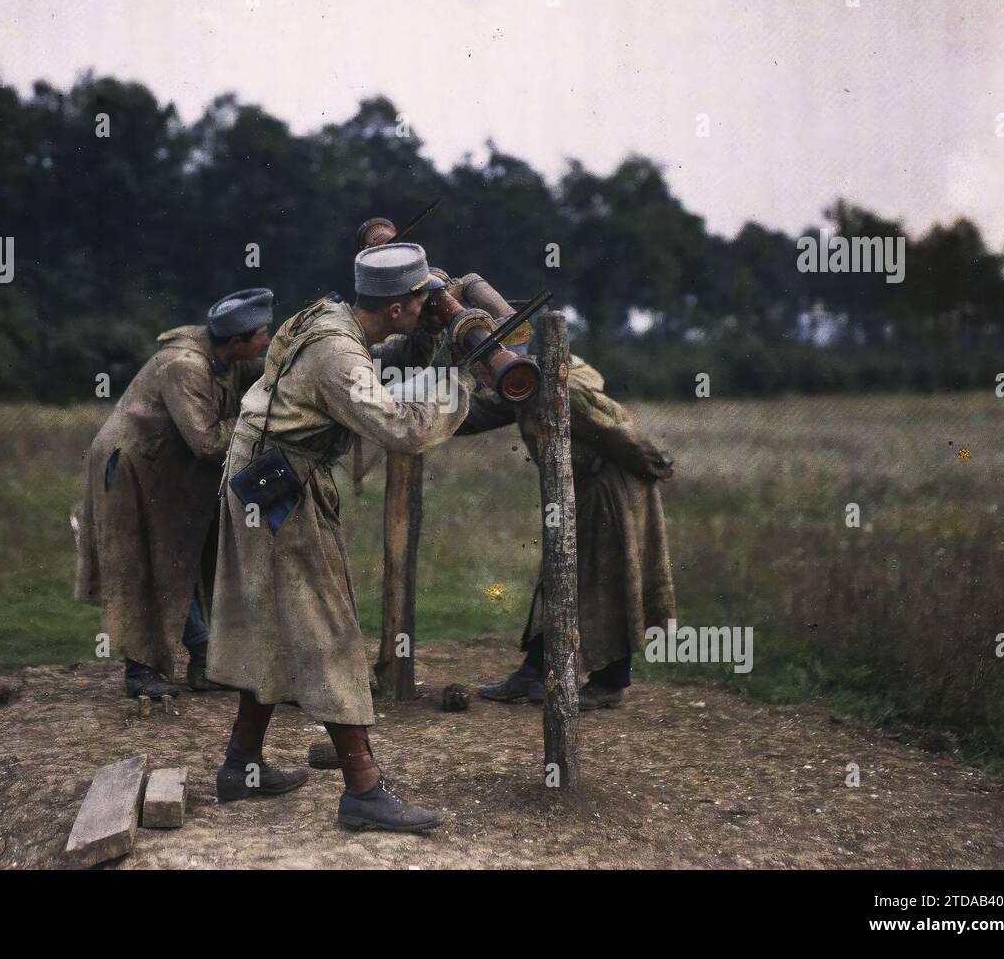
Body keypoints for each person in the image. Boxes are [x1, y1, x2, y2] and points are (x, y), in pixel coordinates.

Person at [207, 242, 475, 833]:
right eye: (421, 300)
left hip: (264, 469)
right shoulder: (338, 356)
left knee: (280, 620)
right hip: (279, 483)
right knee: (327, 629)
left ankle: (241, 764)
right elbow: (401, 428)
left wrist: (431, 340)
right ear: (400, 308)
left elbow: (381, 373)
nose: (429, 306)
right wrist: (467, 372)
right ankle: (363, 791)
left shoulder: (326, 314)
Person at [75, 288, 273, 699]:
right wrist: (260, 423)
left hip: (163, 470)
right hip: (130, 470)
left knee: (181, 560)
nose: (267, 342)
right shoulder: (185, 365)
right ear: (236, 342)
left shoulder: (224, 357)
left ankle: (205, 656)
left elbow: (273, 371)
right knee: (143, 564)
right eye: (262, 336)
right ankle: (140, 670)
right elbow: (206, 442)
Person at [461, 348, 677, 710]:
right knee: (560, 577)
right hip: (581, 489)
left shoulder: (566, 389)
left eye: (483, 369)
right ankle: (534, 671)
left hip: (610, 492)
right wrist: (416, 412)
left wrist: (658, 465)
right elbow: (475, 414)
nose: (482, 379)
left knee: (604, 580)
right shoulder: (521, 387)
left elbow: (620, 434)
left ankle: (609, 682)